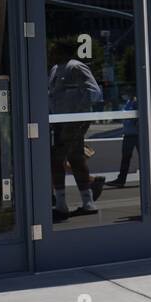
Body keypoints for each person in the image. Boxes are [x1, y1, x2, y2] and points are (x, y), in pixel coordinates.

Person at [48, 38, 103, 218]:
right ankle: (84, 203)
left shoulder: (76, 67)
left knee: (61, 159)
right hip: (58, 121)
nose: (51, 54)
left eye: (54, 50)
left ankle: (70, 204)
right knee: (71, 159)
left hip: (72, 121)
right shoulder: (55, 69)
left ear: (63, 52)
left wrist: (78, 113)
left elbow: (93, 92)